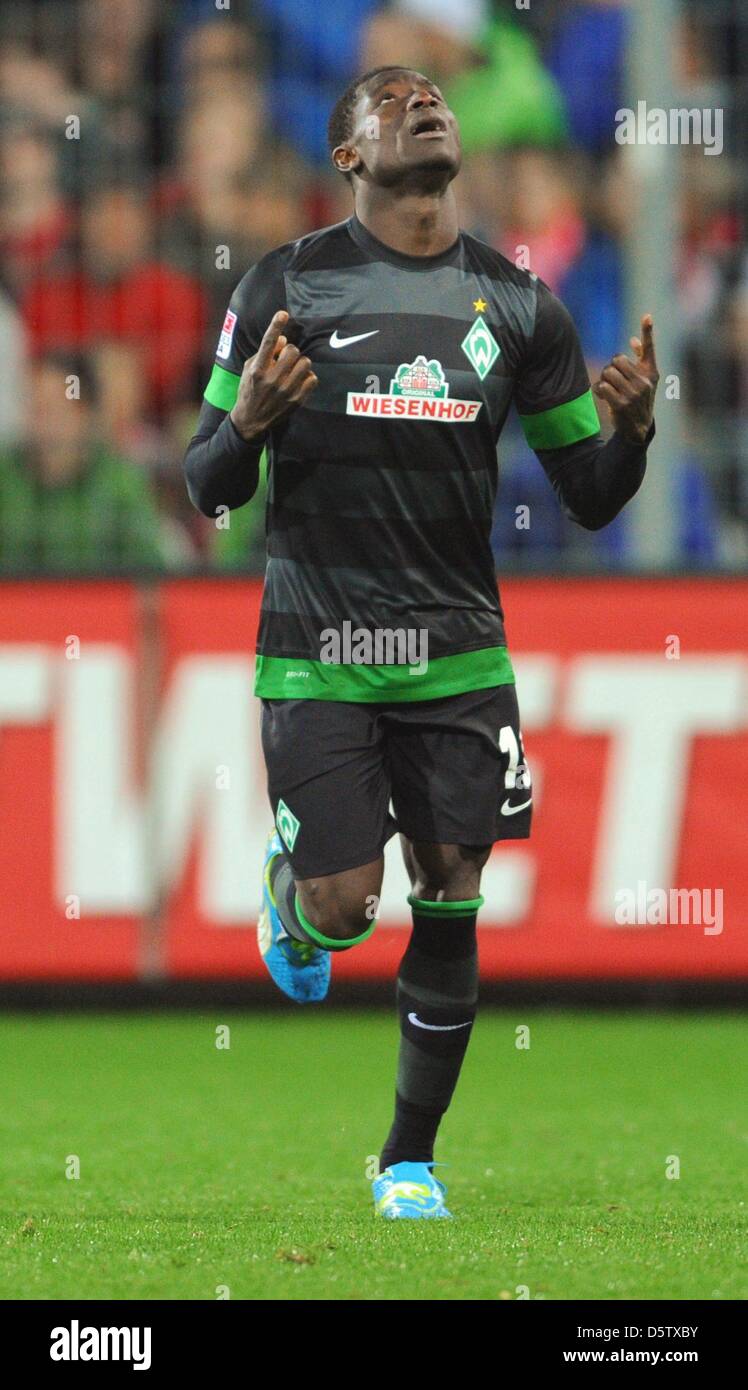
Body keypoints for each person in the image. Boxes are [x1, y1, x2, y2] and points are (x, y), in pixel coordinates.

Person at [183, 66, 658, 1220]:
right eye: (390, 98)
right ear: (347, 153)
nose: (423, 103)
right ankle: (294, 893)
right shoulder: (284, 284)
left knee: (449, 889)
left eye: (433, 94)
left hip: (457, 653)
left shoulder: (517, 303)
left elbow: (589, 495)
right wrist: (246, 423)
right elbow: (204, 481)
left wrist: (632, 431)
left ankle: (407, 1160)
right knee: (348, 905)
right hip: (321, 646)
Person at [0, 352, 164, 572]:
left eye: (52, 409)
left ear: (84, 414)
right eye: (33, 407)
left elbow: (151, 571)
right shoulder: (6, 476)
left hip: (101, 604)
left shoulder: (120, 482)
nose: (41, 423)